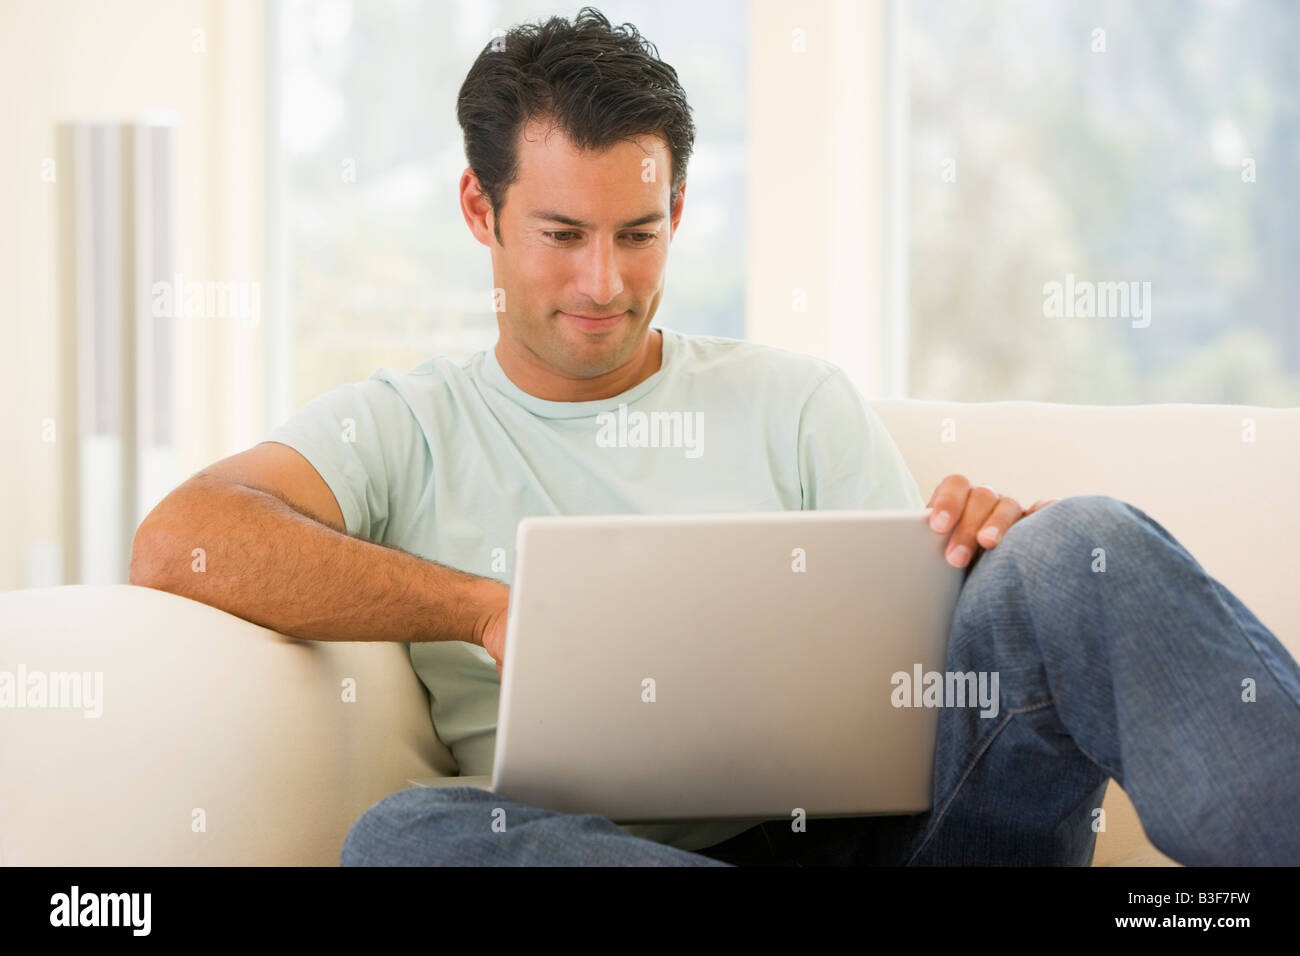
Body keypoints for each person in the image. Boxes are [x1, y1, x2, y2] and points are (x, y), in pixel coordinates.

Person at [131, 8, 1300, 866]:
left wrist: (994, 559)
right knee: (404, 838)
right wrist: (480, 607)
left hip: (894, 844)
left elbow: (937, 677)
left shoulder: (794, 399)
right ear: (478, 211)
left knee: (1073, 541)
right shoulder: (404, 424)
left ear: (680, 210)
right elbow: (183, 541)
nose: (604, 281)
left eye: (639, 232)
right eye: (560, 232)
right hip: (585, 853)